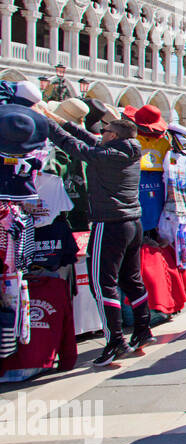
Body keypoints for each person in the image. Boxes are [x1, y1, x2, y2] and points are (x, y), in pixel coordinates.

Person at [40, 106, 153, 365]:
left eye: (106, 130)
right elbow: (83, 136)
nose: (101, 132)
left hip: (110, 223)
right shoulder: (125, 149)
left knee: (102, 282)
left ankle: (115, 341)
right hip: (133, 223)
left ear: (113, 136)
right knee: (131, 278)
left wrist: (45, 123)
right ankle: (142, 330)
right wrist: (56, 116)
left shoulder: (107, 153)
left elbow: (74, 146)